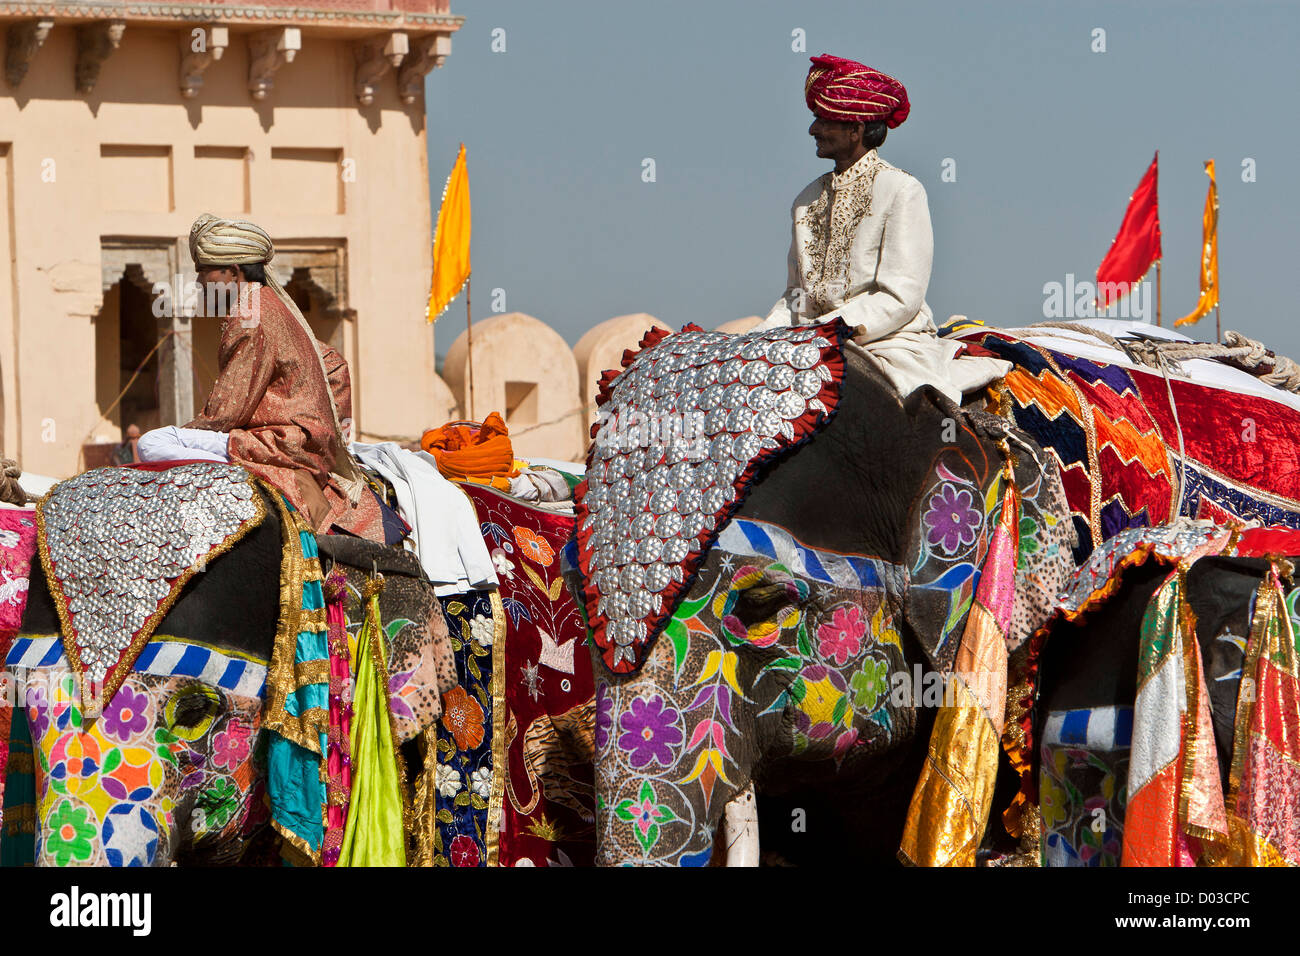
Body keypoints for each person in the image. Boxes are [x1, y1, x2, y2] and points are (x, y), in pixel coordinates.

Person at [757, 54, 1008, 403]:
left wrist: (827, 333)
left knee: (898, 416)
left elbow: (900, 297)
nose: (813, 130)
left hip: (889, 345)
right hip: (809, 346)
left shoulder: (901, 190)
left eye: (823, 120)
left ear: (856, 130)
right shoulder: (806, 200)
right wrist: (757, 339)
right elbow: (795, 297)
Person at [137, 214, 384, 542]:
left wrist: (187, 433)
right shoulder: (273, 306)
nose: (199, 283)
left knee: (152, 443)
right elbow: (334, 364)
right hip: (304, 444)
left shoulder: (249, 314)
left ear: (233, 273)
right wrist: (332, 430)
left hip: (279, 444)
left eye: (204, 272)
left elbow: (225, 413)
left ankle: (236, 481)